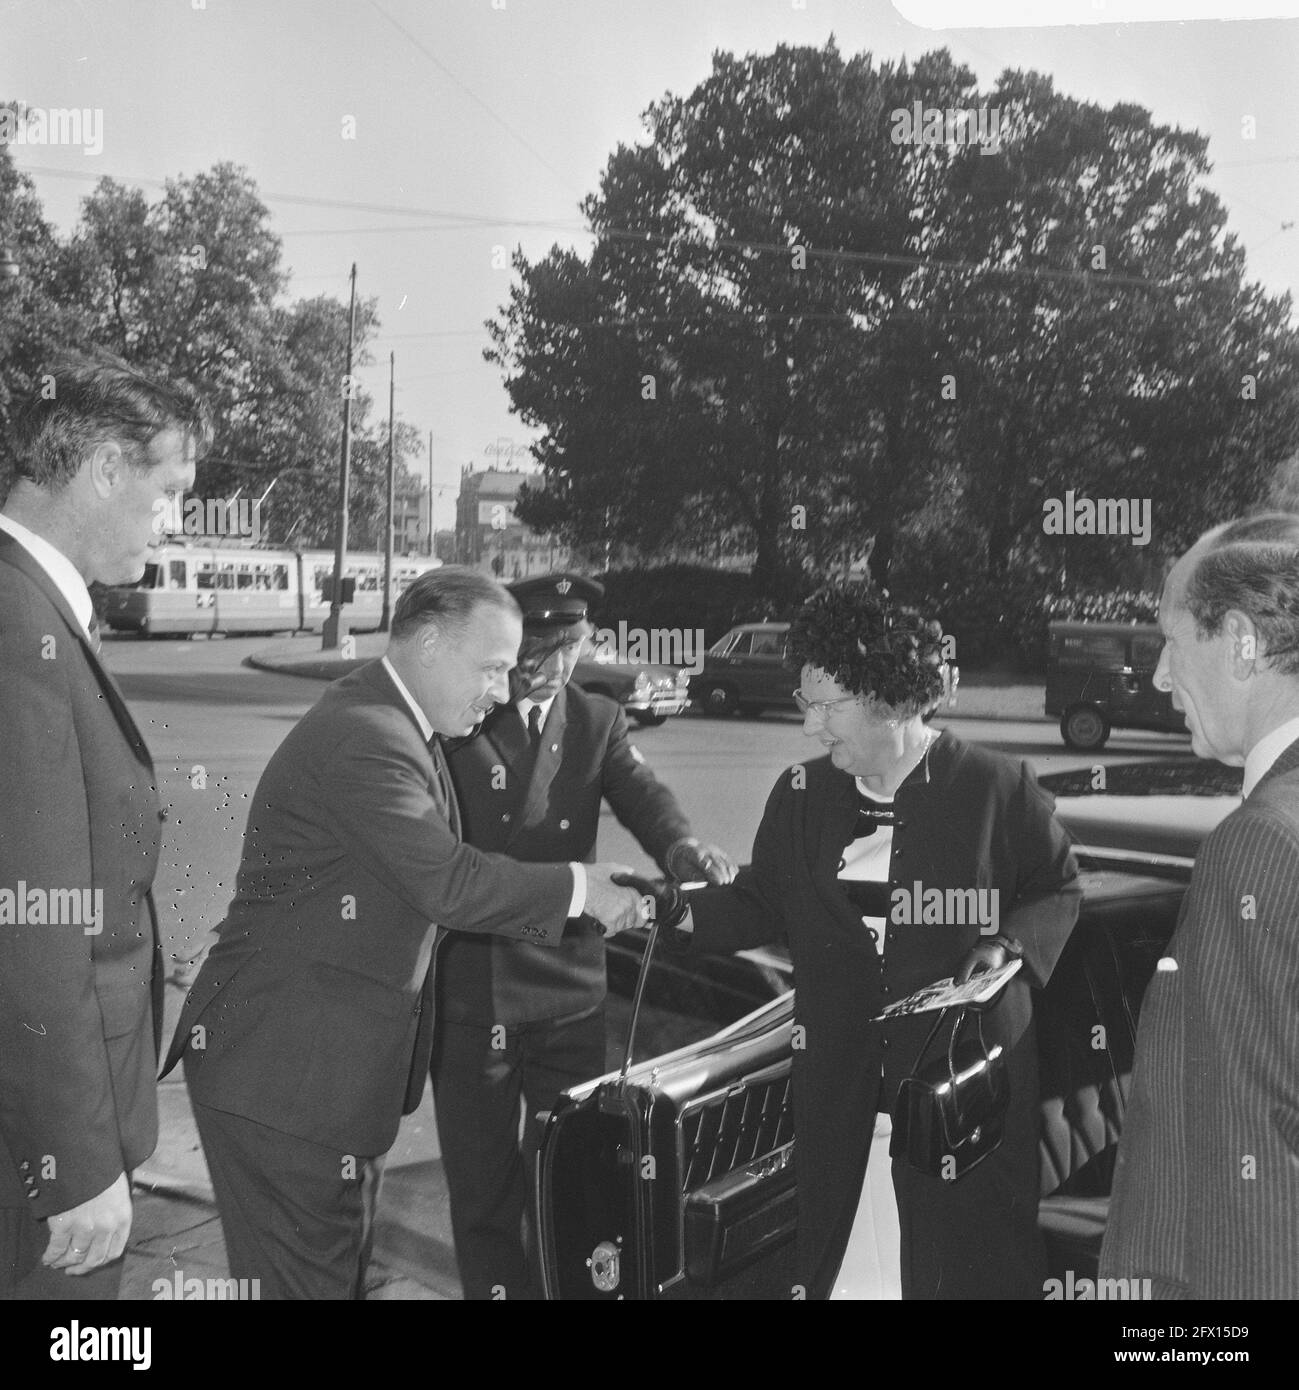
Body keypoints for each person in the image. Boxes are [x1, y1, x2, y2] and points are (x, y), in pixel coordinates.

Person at [161, 567, 648, 1300]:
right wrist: (581, 888)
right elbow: (447, 880)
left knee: (327, 1277)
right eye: (489, 667)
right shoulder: (369, 736)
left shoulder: (398, 724)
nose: (505, 687)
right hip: (286, 1083)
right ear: (425, 644)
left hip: (323, 1079)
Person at [676, 582, 1080, 1300]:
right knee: (852, 1276)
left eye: (829, 706)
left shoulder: (995, 788)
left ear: (892, 699)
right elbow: (758, 903)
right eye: (807, 703)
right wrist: (665, 912)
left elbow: (1055, 888)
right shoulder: (802, 793)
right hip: (842, 1099)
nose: (810, 726)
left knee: (960, 1276)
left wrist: (1008, 946)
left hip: (959, 1104)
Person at [437, 572, 737, 1299]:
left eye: (571, 647)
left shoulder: (597, 719)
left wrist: (681, 849)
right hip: (477, 984)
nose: (555, 666)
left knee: (565, 1176)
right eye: (541, 649)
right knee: (483, 1190)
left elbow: (644, 795)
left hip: (568, 986)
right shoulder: (459, 713)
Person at [0, 351, 212, 1299]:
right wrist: (76, 1165)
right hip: (45, 1144)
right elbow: (30, 928)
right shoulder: (18, 628)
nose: (175, 522)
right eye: (170, 491)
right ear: (105, 472)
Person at [1100, 512, 1299, 1299]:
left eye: (1171, 641)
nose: (1157, 677)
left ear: (1241, 641)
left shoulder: (1257, 842)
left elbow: (1241, 1149)